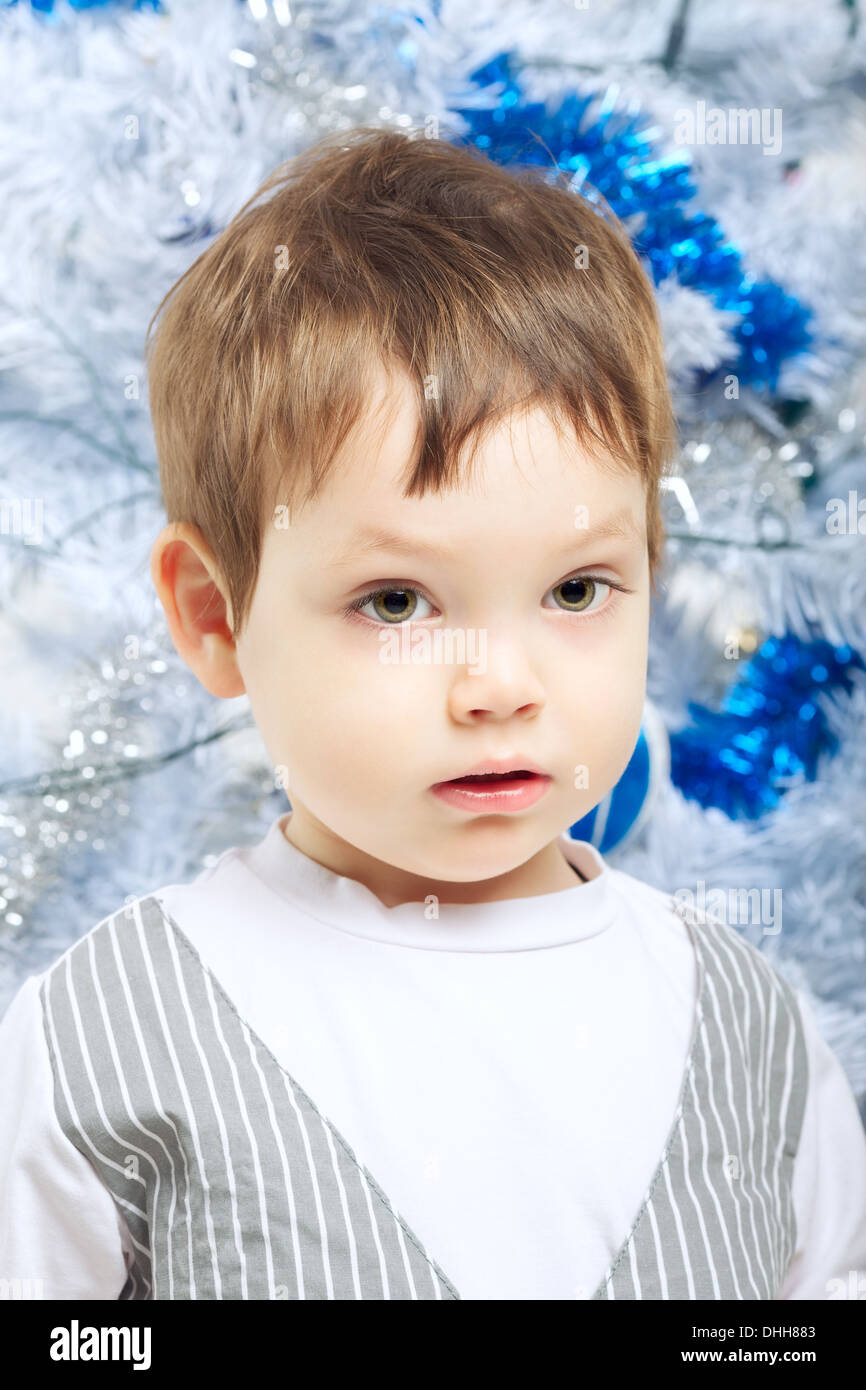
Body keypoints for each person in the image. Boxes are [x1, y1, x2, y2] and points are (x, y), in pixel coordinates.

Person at [1, 127, 865, 1301]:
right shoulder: (109, 1030)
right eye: (396, 600)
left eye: (574, 589)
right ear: (215, 616)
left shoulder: (739, 1023)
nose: (497, 684)